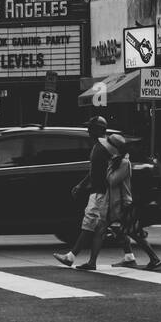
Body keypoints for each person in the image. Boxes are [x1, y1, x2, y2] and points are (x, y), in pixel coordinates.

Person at [53, 114, 110, 270]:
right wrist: (81, 185)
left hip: (100, 193)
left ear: (97, 130)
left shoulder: (102, 147)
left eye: (90, 128)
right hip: (101, 192)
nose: (88, 131)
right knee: (108, 227)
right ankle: (129, 255)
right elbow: (94, 170)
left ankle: (71, 257)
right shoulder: (101, 146)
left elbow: (100, 171)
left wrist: (85, 186)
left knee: (89, 224)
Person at [104, 137, 161, 272]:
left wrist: (108, 167)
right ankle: (129, 257)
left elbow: (112, 180)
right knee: (119, 230)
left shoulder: (124, 163)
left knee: (133, 232)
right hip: (114, 202)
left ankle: (154, 259)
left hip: (123, 203)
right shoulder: (116, 161)